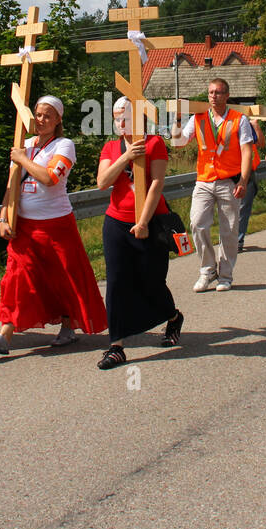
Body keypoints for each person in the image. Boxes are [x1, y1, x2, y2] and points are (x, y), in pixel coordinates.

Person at [0, 95, 106, 354]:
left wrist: (22, 159)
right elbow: (11, 185)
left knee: (64, 277)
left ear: (58, 119)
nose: (41, 119)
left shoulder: (65, 145)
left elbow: (50, 178)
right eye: (38, 114)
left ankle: (68, 326)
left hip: (57, 226)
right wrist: (3, 216)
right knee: (16, 276)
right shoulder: (23, 144)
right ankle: (5, 334)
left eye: (48, 115)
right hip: (24, 226)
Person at [94, 96, 183, 370]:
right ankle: (117, 346)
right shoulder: (111, 148)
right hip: (116, 222)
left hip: (150, 223)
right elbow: (102, 183)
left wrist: (143, 222)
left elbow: (156, 184)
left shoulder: (155, 143)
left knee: (151, 281)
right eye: (117, 117)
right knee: (117, 283)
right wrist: (126, 156)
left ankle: (172, 316)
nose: (122, 122)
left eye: (127, 117)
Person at [171, 77, 256, 292]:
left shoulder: (239, 119)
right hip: (204, 180)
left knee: (229, 230)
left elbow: (247, 151)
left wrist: (244, 180)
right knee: (197, 223)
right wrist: (178, 119)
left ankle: (225, 275)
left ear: (226, 96)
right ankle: (207, 270)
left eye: (218, 92)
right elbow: (178, 142)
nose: (213, 96)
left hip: (229, 181)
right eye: (210, 92)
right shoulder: (198, 117)